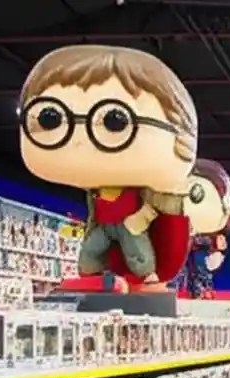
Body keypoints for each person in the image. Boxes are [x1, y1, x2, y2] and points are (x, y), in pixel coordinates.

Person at [19, 45, 198, 284]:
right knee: (91, 251)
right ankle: (90, 275)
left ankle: (147, 275)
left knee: (138, 251)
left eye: (115, 122)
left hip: (127, 223)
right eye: (49, 118)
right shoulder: (94, 189)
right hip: (104, 225)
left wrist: (143, 217)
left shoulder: (142, 187)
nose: (81, 141)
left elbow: (158, 204)